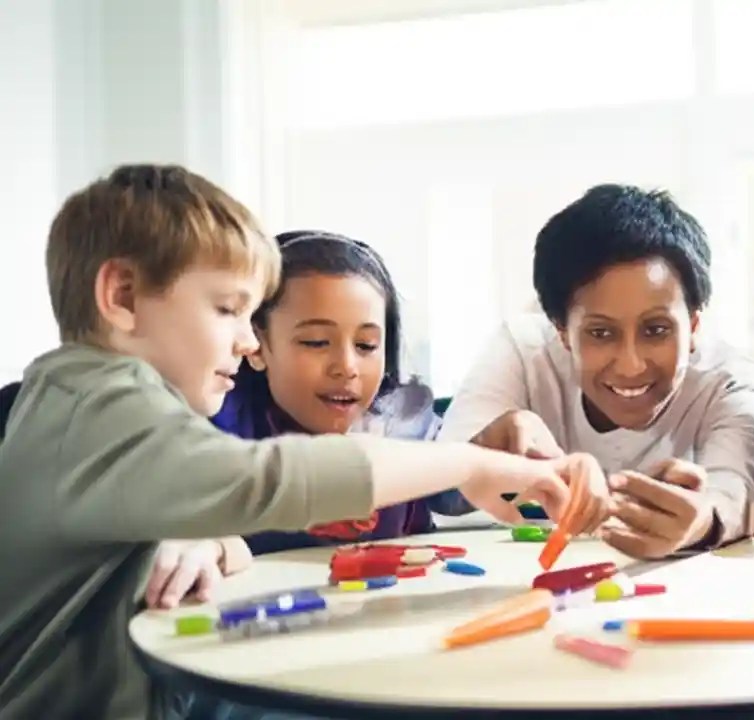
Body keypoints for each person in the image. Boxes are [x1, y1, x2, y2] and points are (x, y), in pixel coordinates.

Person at [0, 165, 593, 720]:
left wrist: (208, 539)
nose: (245, 341)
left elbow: (197, 519)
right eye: (229, 309)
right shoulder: (103, 407)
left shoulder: (79, 402)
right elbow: (270, 479)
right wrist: (468, 462)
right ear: (123, 296)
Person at [441, 184, 754, 558]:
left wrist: (701, 522)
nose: (631, 365)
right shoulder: (523, 351)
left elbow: (737, 489)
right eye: (601, 333)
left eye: (656, 330)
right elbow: (437, 490)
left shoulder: (732, 381)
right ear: (562, 331)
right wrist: (480, 458)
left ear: (694, 325)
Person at [211, 230, 471, 557]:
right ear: (257, 345)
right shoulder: (220, 430)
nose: (347, 367)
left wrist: (498, 452)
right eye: (316, 342)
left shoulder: (401, 419)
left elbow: (457, 488)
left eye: (366, 346)